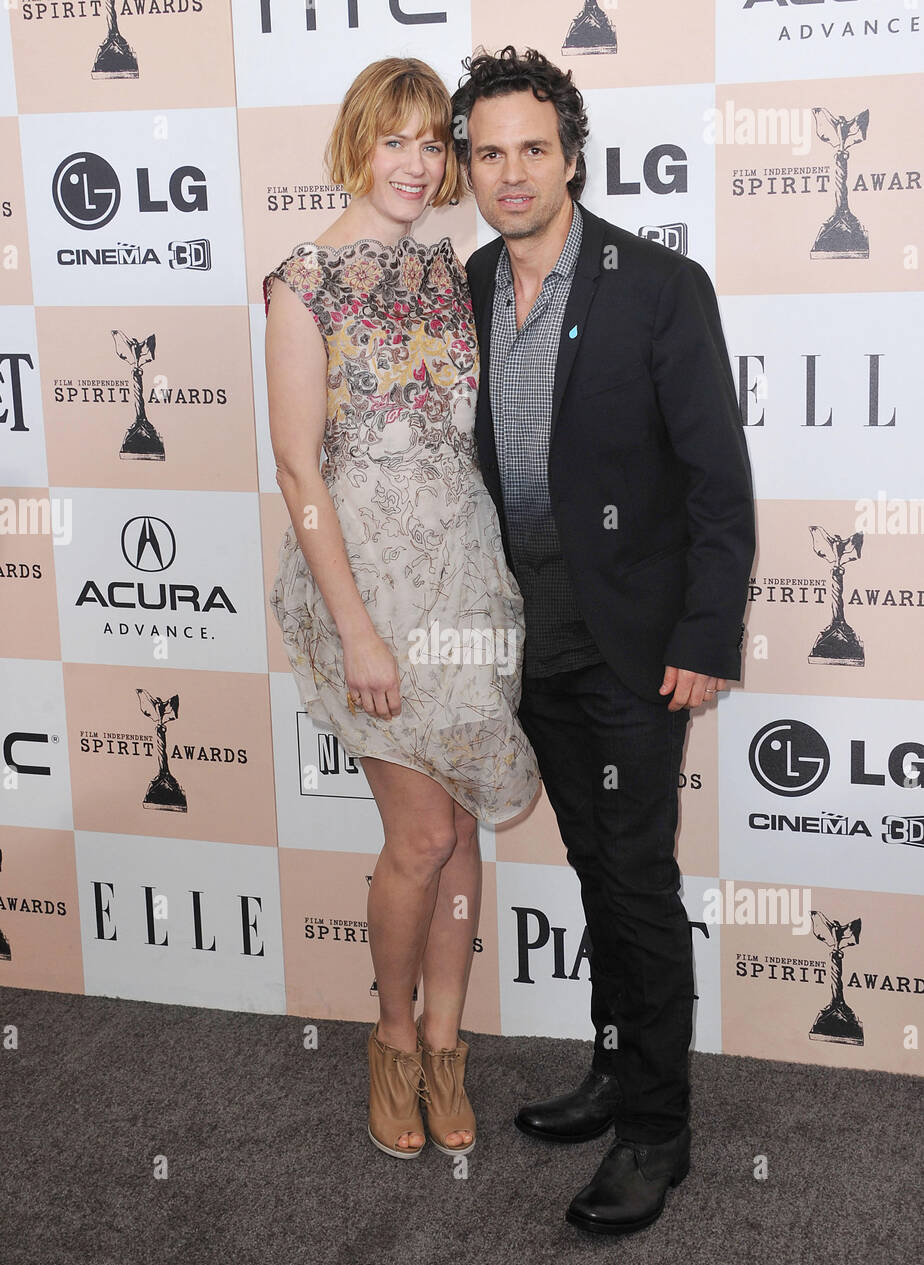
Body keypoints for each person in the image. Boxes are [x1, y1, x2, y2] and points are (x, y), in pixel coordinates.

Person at [452, 47, 756, 1234]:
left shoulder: (657, 286)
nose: (511, 172)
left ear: (573, 156)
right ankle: (614, 1065)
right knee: (593, 871)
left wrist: (704, 633)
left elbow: (718, 484)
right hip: (528, 647)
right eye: (489, 152)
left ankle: (657, 1133)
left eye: (534, 148)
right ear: (471, 167)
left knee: (636, 883)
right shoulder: (470, 283)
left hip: (636, 647)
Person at [263, 58, 539, 1161]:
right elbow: (298, 474)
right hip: (366, 590)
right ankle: (390, 1039)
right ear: (355, 145)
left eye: (437, 142)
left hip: (470, 579)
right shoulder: (302, 282)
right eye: (398, 140)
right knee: (419, 833)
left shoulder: (454, 263)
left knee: (465, 819)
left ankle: (448, 1043)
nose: (421, 164)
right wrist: (360, 629)